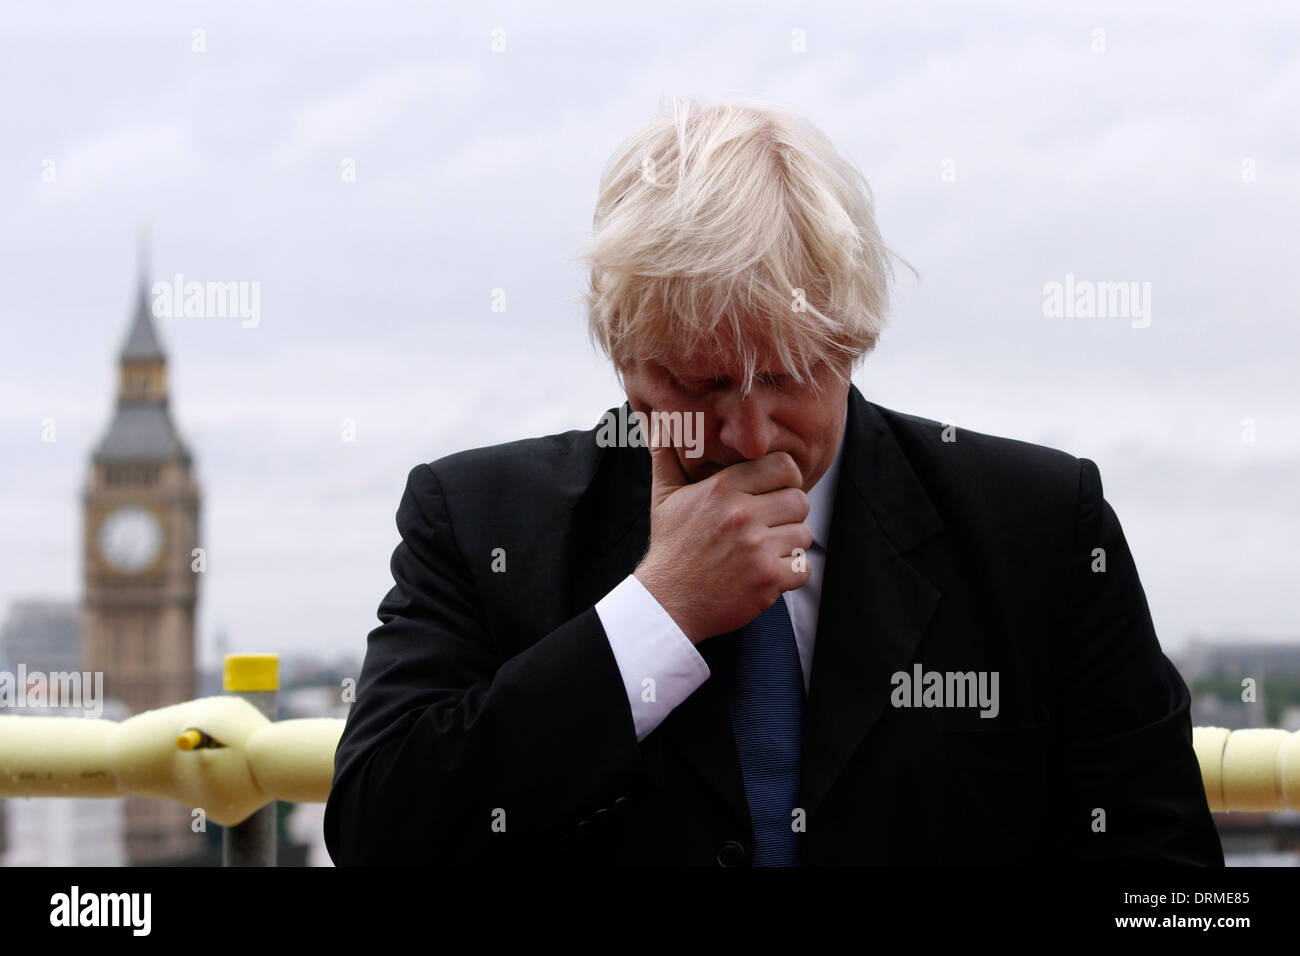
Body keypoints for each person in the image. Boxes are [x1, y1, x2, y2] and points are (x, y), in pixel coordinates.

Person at [323, 98, 1223, 866]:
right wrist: (658, 611)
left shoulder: (1039, 525)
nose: (750, 434)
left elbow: (1168, 880)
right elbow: (382, 832)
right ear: (623, 356)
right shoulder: (479, 518)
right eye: (700, 382)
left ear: (855, 338)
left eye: (792, 374)